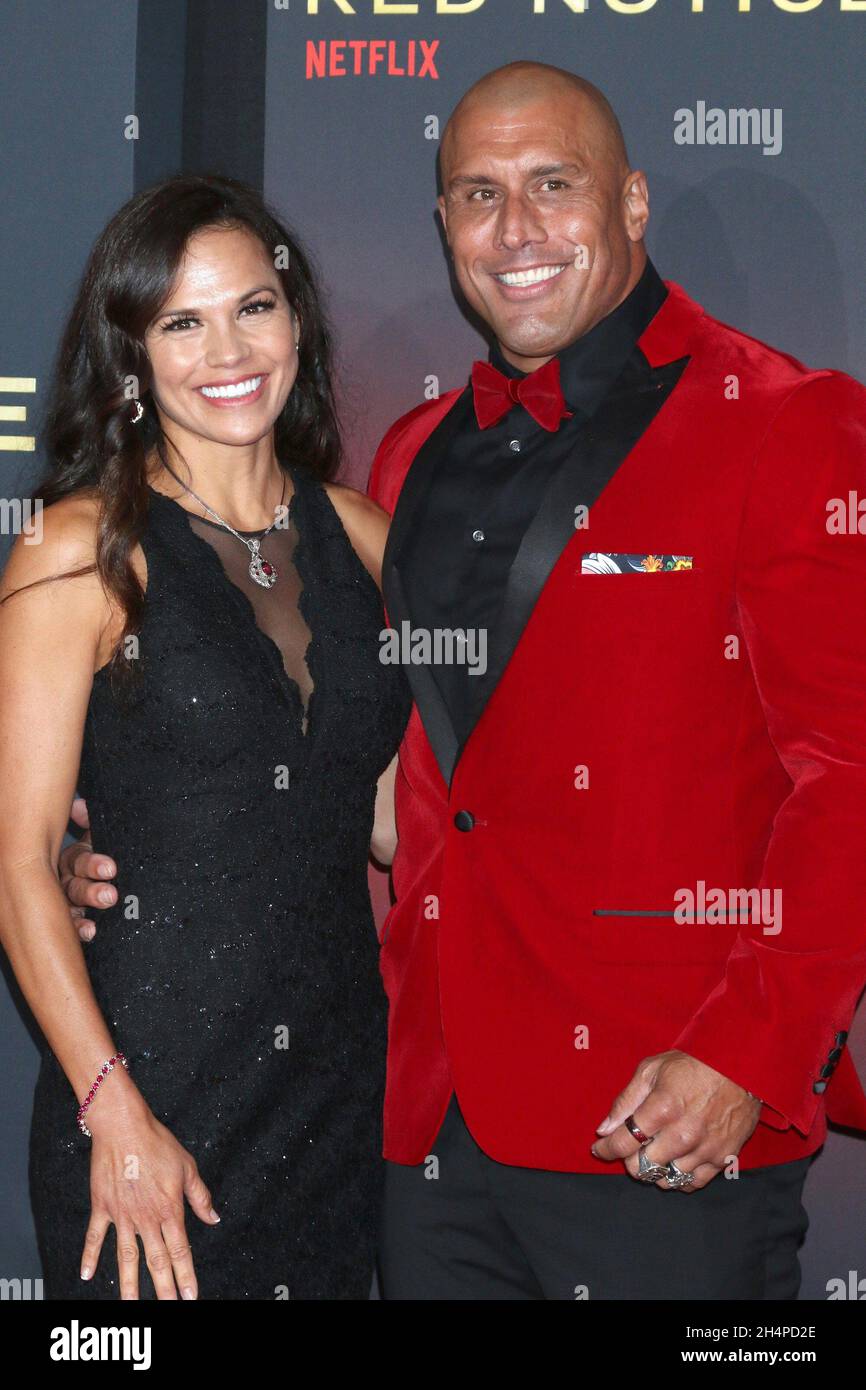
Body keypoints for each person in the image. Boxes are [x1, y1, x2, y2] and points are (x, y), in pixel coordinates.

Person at [63, 63, 866, 1301]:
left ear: (633, 202)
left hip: (662, 1124)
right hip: (422, 1136)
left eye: (554, 185)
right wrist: (126, 843)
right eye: (476, 194)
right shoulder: (409, 458)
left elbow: (847, 778)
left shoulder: (781, 422)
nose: (515, 228)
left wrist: (748, 1055)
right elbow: (386, 770)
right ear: (442, 227)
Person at [0, 173, 411, 1300]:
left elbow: (391, 823)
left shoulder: (367, 537)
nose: (225, 348)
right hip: (150, 1086)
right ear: (131, 354)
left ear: (295, 322)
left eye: (253, 307)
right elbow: (21, 863)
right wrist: (110, 1109)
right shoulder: (78, 551)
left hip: (337, 1093)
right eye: (180, 321)